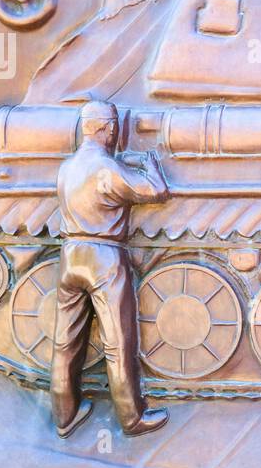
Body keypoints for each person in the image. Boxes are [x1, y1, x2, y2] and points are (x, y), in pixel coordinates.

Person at [50, 100, 171, 438]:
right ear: (108, 129)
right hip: (103, 257)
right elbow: (157, 192)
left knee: (65, 342)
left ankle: (64, 417)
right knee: (118, 341)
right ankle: (132, 419)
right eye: (114, 127)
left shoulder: (67, 168)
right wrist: (150, 164)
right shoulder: (108, 169)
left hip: (71, 256)